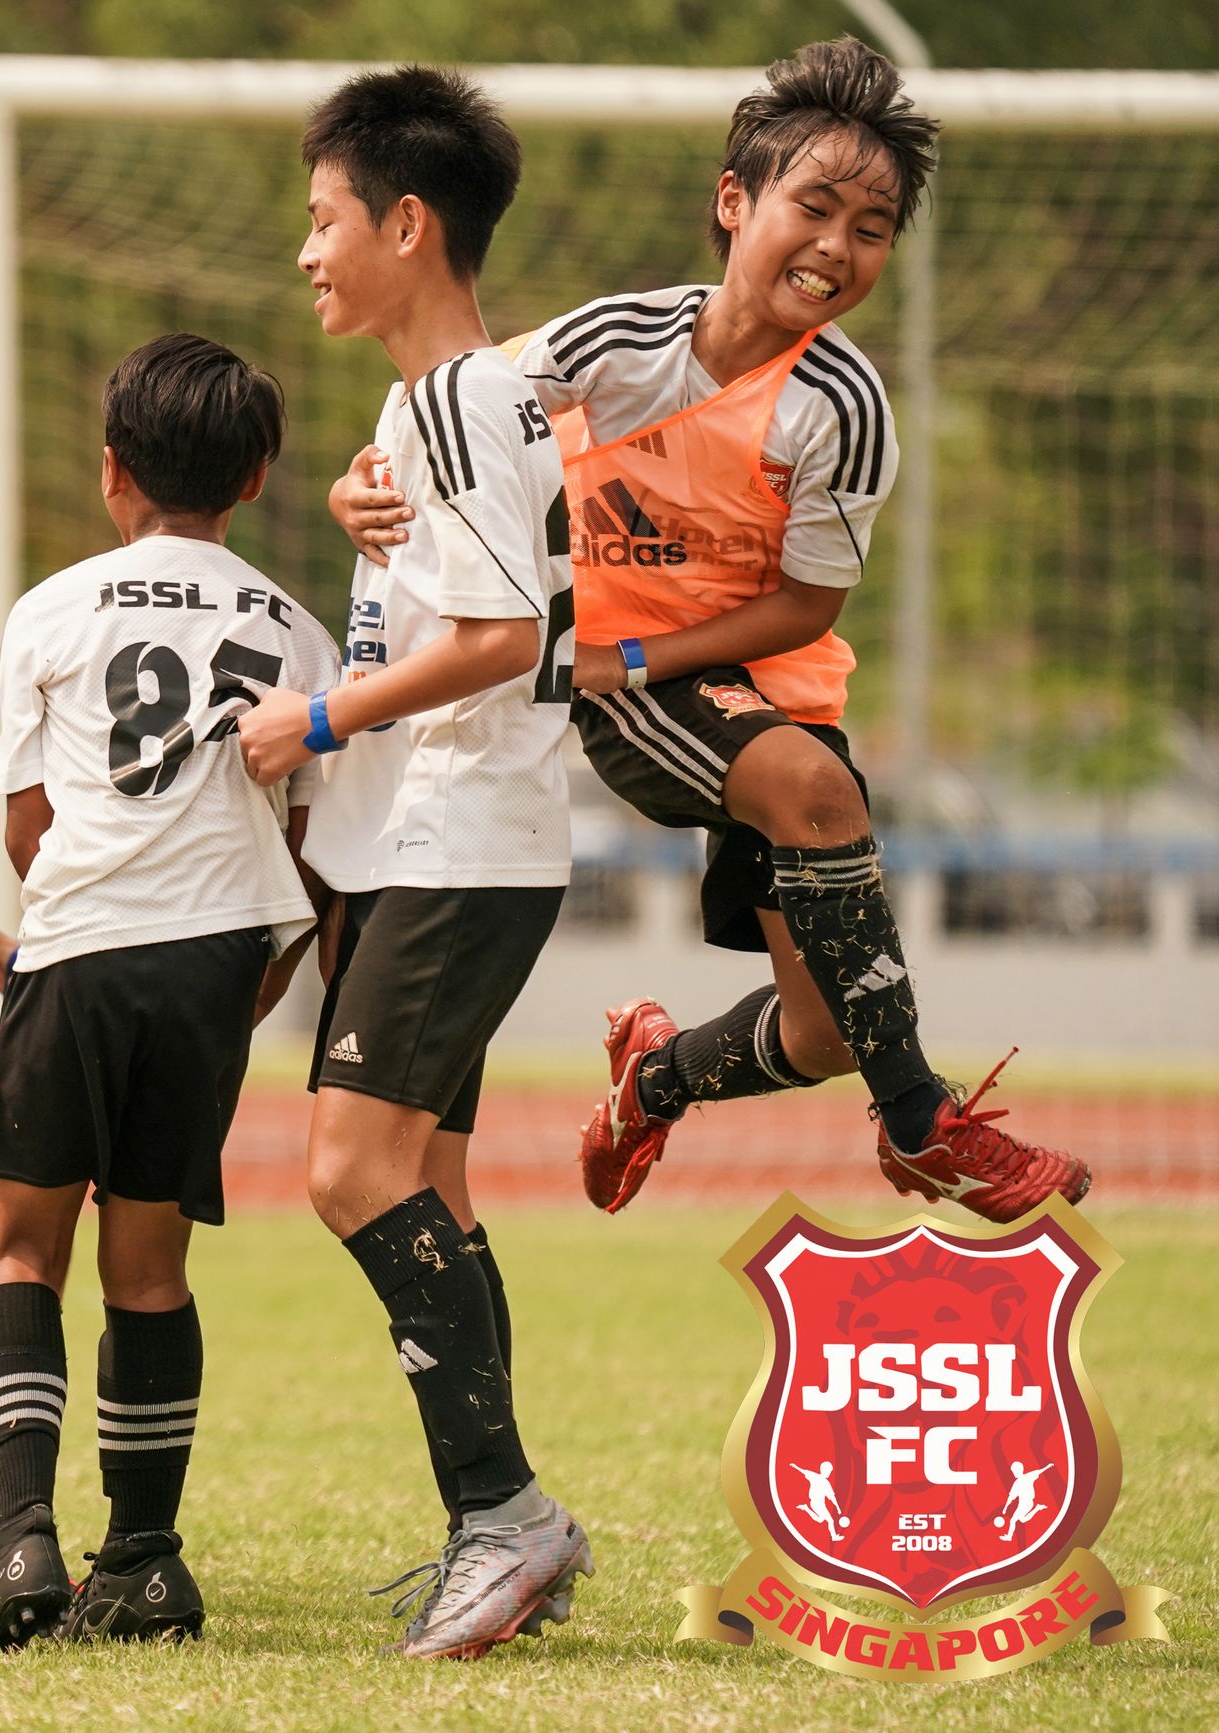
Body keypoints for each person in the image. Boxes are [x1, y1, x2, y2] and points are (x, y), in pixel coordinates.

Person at [349, 40, 1091, 1222]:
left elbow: (807, 605)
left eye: (870, 225)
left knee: (823, 1028)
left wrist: (638, 657)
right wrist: (366, 483)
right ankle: (922, 1129)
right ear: (733, 202)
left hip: (736, 673)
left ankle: (653, 1077)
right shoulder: (613, 343)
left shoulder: (841, 408)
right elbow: (451, 412)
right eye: (812, 206)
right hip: (617, 669)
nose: (835, 248)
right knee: (812, 791)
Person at [236, 67, 592, 1661]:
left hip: (464, 837)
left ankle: (508, 1509)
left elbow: (506, 639)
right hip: (427, 836)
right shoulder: (420, 406)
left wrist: (313, 717)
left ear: (406, 222)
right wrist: (354, 504)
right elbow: (457, 574)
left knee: (347, 1170)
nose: (305, 251)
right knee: (430, 1178)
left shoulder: (461, 398)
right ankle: (491, 1533)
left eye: (322, 220)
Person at [0, 334, 339, 1650]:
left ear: (113, 469)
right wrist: (247, 978)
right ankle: (146, 1558)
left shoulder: (53, 609)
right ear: (257, 475)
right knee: (149, 1264)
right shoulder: (299, 628)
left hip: (79, 950)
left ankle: (19, 1547)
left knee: (16, 1248)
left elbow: (24, 827)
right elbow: (307, 853)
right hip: (215, 962)